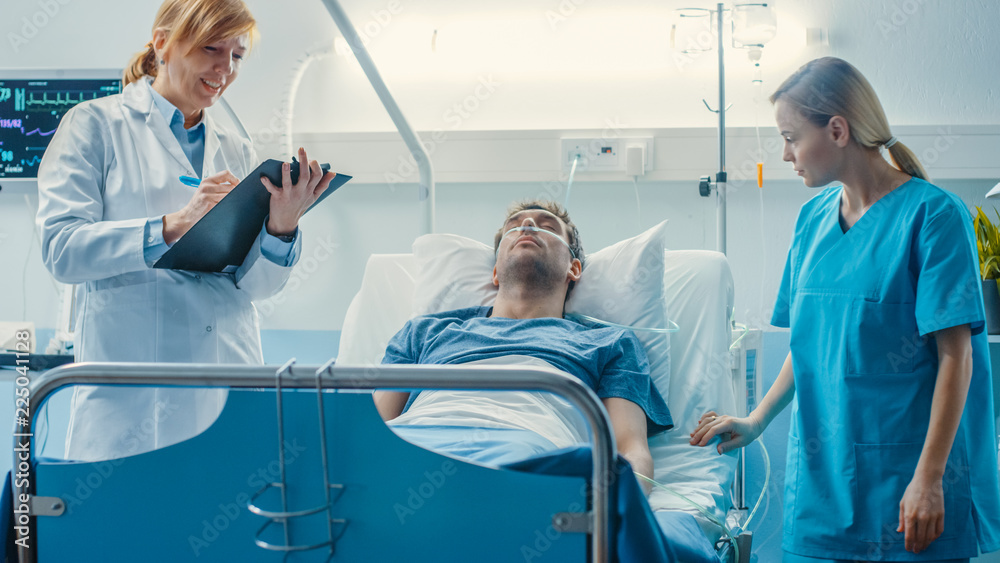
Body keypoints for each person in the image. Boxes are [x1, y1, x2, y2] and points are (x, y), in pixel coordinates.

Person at [690, 57, 1000, 562]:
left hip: (907, 486)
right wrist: (757, 420)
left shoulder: (933, 217)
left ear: (837, 130)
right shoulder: (812, 220)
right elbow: (808, 344)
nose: (786, 154)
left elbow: (956, 358)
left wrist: (930, 477)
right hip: (821, 490)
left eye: (791, 137)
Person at [35, 0, 336, 461]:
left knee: (231, 521)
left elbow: (253, 286)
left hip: (229, 388)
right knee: (132, 525)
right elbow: (62, 249)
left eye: (236, 56)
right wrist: (171, 227)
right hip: (133, 402)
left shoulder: (236, 150)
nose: (225, 68)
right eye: (211, 48)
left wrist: (281, 226)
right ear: (162, 42)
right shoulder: (94, 126)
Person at [373, 200, 672, 493]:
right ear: (494, 273)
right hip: (411, 444)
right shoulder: (425, 332)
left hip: (532, 452)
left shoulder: (610, 343)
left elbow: (629, 450)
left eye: (547, 226)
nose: (527, 225)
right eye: (513, 227)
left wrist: (616, 516)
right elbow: (368, 431)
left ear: (574, 268)